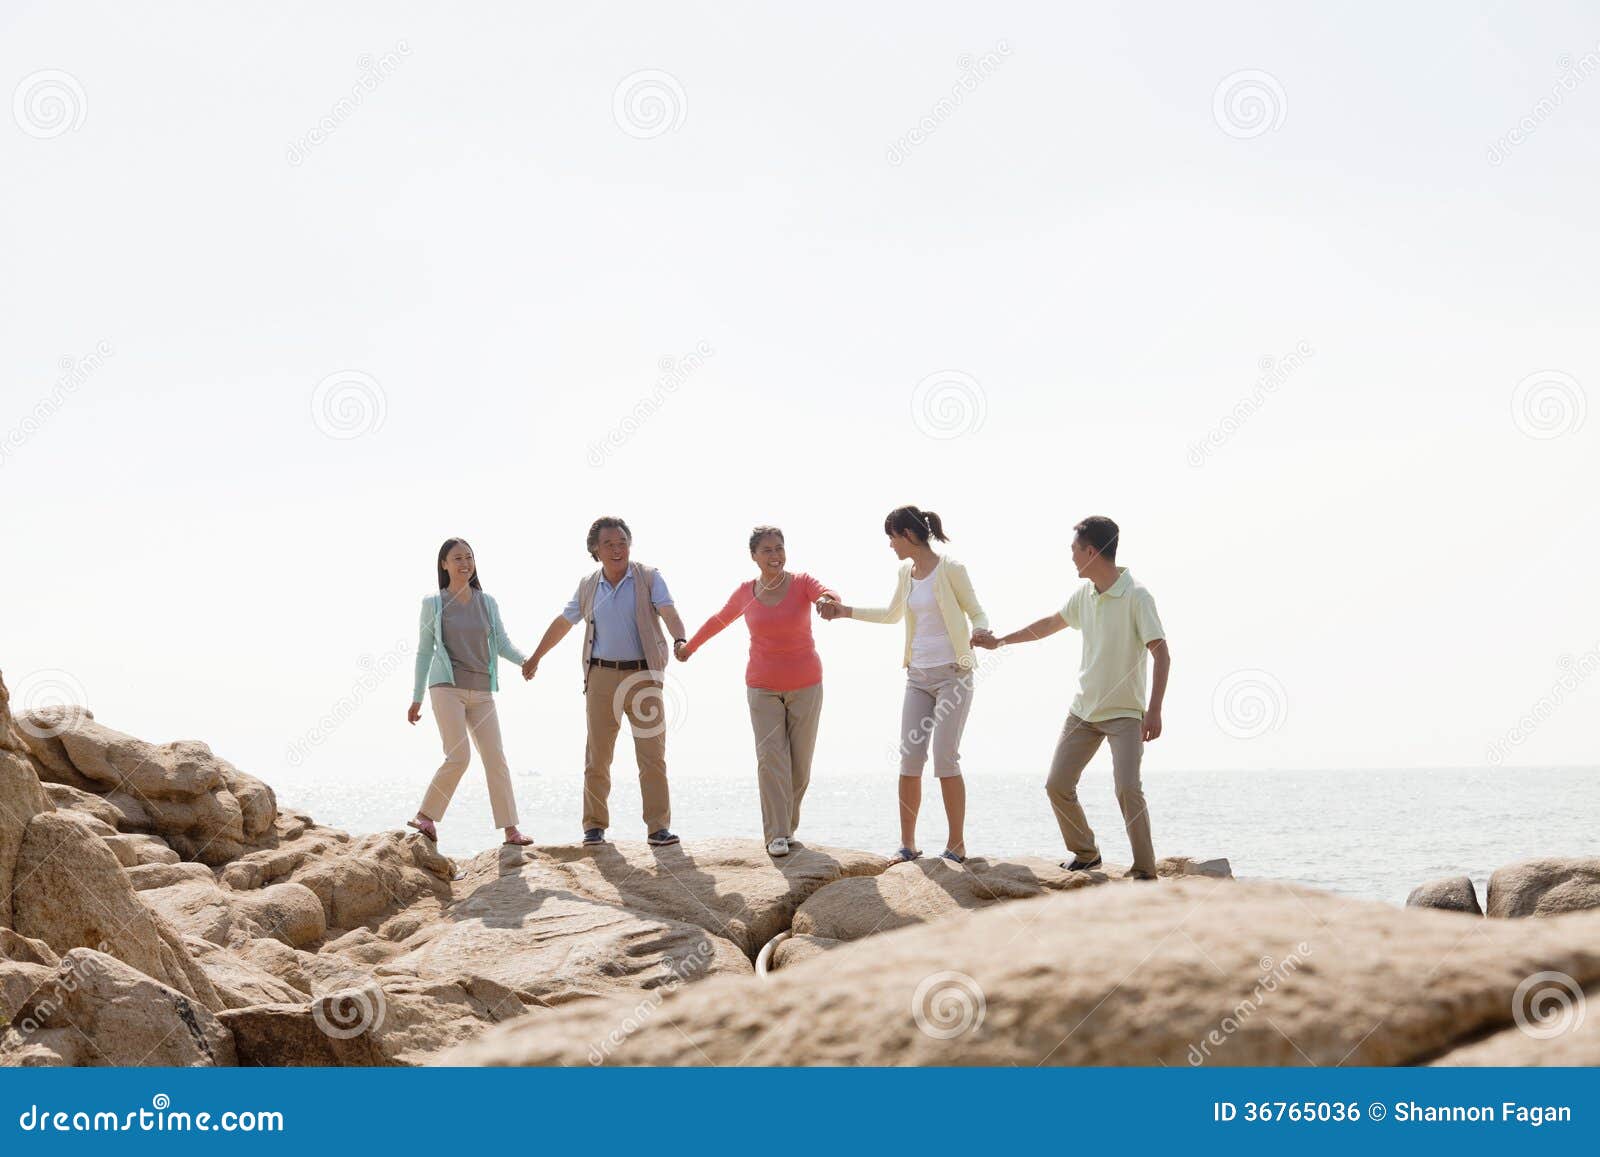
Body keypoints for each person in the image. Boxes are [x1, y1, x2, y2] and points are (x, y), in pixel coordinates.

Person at [974, 515, 1169, 880]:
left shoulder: (1137, 596)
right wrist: (999, 641)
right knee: (1057, 785)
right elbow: (1048, 624)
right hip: (1083, 711)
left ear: (1092, 551)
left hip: (1125, 712)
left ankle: (1145, 870)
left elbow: (1162, 653)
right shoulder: (1085, 594)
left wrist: (1154, 710)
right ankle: (1086, 853)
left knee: (1128, 788)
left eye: (1075, 550)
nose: (1072, 556)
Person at [819, 505, 988, 864]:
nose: (891, 545)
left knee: (945, 758)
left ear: (908, 535)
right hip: (918, 677)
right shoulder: (905, 572)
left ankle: (956, 845)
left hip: (953, 676)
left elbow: (976, 610)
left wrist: (980, 630)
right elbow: (892, 614)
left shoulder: (951, 569)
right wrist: (844, 610)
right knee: (910, 759)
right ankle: (907, 845)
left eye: (892, 537)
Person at [523, 516, 688, 847]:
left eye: (622, 542)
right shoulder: (588, 585)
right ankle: (594, 827)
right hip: (600, 676)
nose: (617, 549)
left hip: (643, 676)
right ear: (595, 550)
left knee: (651, 755)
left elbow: (668, 611)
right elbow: (563, 622)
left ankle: (658, 828)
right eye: (609, 544)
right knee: (597, 756)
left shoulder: (648, 577)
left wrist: (680, 639)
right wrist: (536, 656)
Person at [677, 526, 839, 857]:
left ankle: (788, 827)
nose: (775, 555)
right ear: (753, 556)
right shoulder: (745, 592)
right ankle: (776, 834)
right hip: (762, 686)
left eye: (779, 548)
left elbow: (826, 593)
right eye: (766, 550)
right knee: (770, 759)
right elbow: (719, 620)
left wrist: (827, 600)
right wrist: (689, 647)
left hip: (806, 684)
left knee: (800, 765)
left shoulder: (802, 583)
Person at [406, 537, 534, 847]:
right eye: (457, 558)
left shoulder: (487, 602)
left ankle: (510, 830)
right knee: (459, 756)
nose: (464, 563)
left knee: (495, 758)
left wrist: (526, 661)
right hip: (446, 688)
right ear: (444, 564)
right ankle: (426, 816)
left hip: (481, 691)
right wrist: (416, 696)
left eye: (469, 558)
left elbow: (501, 643)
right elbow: (425, 652)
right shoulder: (433, 603)